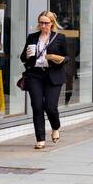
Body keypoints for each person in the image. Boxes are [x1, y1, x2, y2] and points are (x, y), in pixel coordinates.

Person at [21, 11, 69, 149]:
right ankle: (40, 139)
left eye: (46, 23)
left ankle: (55, 127)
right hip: (35, 75)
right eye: (41, 23)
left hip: (53, 75)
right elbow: (23, 59)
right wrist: (26, 55)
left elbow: (68, 57)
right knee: (37, 106)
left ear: (52, 23)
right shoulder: (32, 37)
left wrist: (57, 58)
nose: (43, 26)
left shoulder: (60, 38)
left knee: (50, 106)